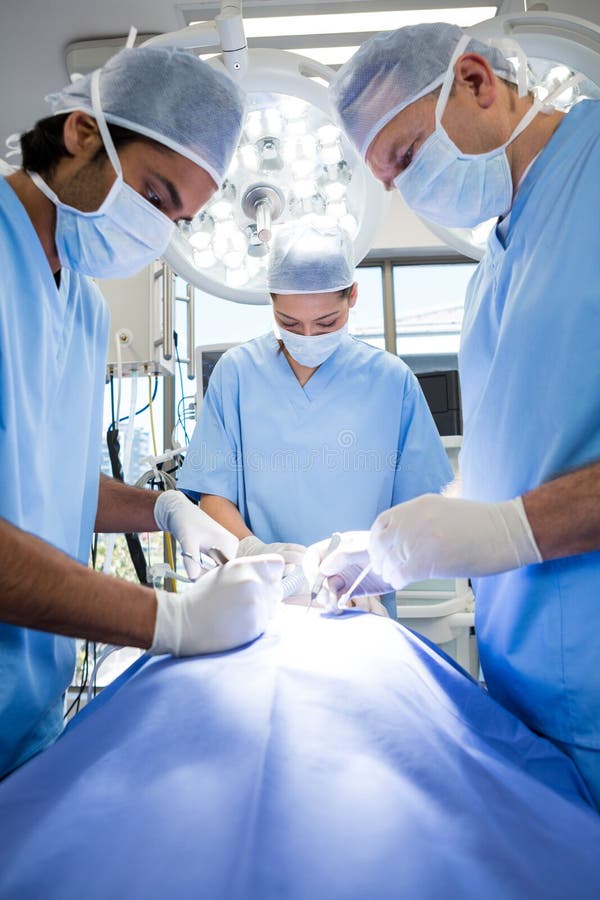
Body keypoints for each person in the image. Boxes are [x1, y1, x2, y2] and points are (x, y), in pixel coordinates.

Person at [312, 22, 600, 806]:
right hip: (526, 700)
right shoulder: (492, 271)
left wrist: (510, 530)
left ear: (476, 81)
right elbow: (516, 461)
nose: (405, 188)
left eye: (404, 156)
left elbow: (518, 509)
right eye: (390, 180)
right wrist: (399, 541)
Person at [0, 45, 285, 781]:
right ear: (83, 133)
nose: (159, 231)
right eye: (156, 197)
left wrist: (161, 509)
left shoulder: (84, 308)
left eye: (180, 219)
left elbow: (48, 480)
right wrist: (170, 623)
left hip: (25, 714)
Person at [177, 219, 453, 617]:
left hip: (361, 608)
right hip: (265, 606)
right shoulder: (236, 374)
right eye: (289, 323)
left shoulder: (392, 382)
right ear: (271, 301)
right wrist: (256, 555)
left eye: (326, 323)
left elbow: (422, 511)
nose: (307, 336)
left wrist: (372, 572)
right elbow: (213, 497)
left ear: (352, 296)